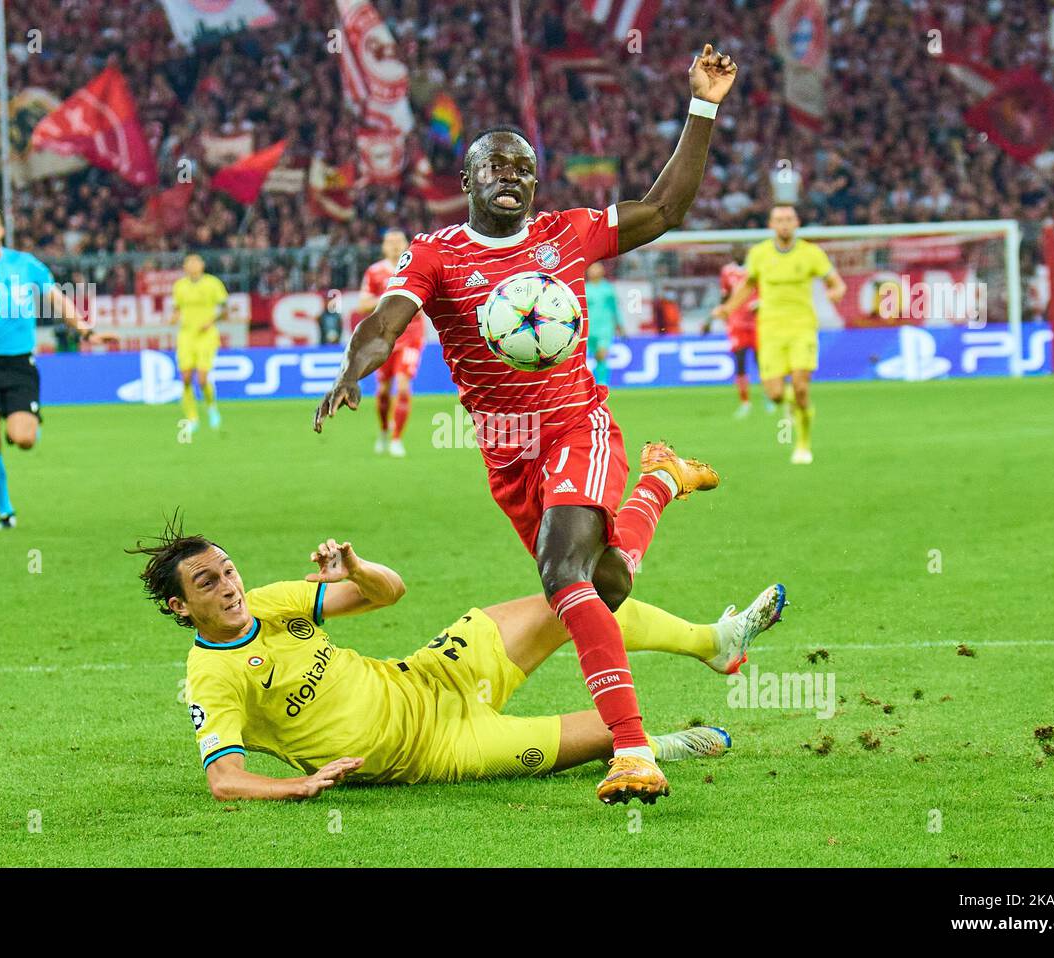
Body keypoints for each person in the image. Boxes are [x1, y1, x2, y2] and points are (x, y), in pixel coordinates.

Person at [314, 44, 738, 804]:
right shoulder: (437, 255)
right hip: (508, 456)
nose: (509, 177)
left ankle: (634, 751)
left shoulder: (566, 234)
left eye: (521, 169)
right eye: (493, 167)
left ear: (534, 183)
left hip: (579, 426)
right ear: (468, 180)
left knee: (563, 574)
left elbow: (666, 210)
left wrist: (702, 106)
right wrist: (354, 367)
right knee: (597, 587)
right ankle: (659, 487)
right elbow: (388, 320)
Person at [128, 517, 786, 802]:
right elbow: (225, 779)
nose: (229, 587)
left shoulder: (275, 602)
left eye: (228, 570)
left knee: (572, 598)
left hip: (432, 673)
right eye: (207, 584)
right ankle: (659, 746)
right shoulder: (210, 676)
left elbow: (389, 593)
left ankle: (716, 643)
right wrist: (297, 785)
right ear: (181, 608)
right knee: (608, 731)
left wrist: (354, 566)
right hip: (434, 752)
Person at [0, 208, 106, 529]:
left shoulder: (25, 265)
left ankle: (21, 422)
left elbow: (56, 299)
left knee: (23, 440)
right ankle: (6, 511)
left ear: (2, 230)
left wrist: (84, 329)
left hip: (20, 364)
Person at [714, 205, 846, 464]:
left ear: (797, 223)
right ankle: (792, 401)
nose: (784, 224)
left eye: (788, 219)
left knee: (800, 386)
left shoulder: (811, 253)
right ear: (771, 225)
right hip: (770, 330)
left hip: (802, 328)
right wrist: (728, 308)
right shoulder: (759, 254)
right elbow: (747, 285)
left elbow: (836, 283)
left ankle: (803, 443)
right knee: (774, 394)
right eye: (779, 220)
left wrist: (837, 292)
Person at [357, 229, 425, 458]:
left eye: (399, 241)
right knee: (383, 390)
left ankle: (397, 438)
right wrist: (389, 298)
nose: (395, 245)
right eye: (390, 242)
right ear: (384, 246)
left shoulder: (416, 268)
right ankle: (384, 430)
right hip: (383, 339)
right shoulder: (375, 271)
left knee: (404, 386)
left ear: (406, 244)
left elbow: (425, 301)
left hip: (411, 338)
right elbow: (363, 303)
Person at [171, 254, 228, 431]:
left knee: (202, 379)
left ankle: (211, 408)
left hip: (206, 336)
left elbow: (225, 310)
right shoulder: (179, 286)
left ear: (202, 265)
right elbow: (177, 309)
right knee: (186, 378)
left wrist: (211, 321)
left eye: (196, 262)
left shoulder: (213, 283)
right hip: (186, 336)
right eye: (189, 263)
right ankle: (192, 418)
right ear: (185, 267)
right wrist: (174, 318)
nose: (193, 266)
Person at [716, 261, 759, 417]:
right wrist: (723, 313)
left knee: (762, 362)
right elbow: (724, 295)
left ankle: (770, 399)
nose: (738, 251)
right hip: (737, 323)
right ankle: (745, 402)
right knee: (740, 363)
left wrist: (760, 303)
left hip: (757, 322)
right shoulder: (727, 271)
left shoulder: (756, 268)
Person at [584, 261, 623, 387]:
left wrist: (620, 324)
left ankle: (602, 383)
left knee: (601, 355)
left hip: (604, 328)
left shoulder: (608, 289)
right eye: (591, 269)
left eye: (596, 269)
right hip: (588, 328)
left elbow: (615, 308)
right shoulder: (584, 288)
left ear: (602, 272)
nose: (593, 272)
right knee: (585, 357)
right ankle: (586, 384)